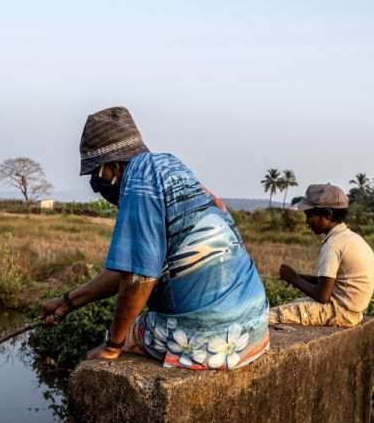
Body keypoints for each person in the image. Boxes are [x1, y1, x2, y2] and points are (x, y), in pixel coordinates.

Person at [39, 106, 270, 370]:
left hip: (214, 339)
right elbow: (134, 267)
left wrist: (113, 345)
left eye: (95, 177)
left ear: (112, 167)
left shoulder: (138, 180)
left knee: (128, 331)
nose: (96, 187)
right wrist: (67, 303)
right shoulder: (169, 166)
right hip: (253, 328)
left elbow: (139, 278)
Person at [270, 184, 374, 327]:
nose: (307, 222)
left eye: (309, 216)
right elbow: (328, 283)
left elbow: (322, 296)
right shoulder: (351, 238)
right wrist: (297, 276)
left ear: (328, 214)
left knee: (271, 316)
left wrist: (294, 278)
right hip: (353, 312)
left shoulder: (333, 245)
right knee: (294, 304)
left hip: (339, 312)